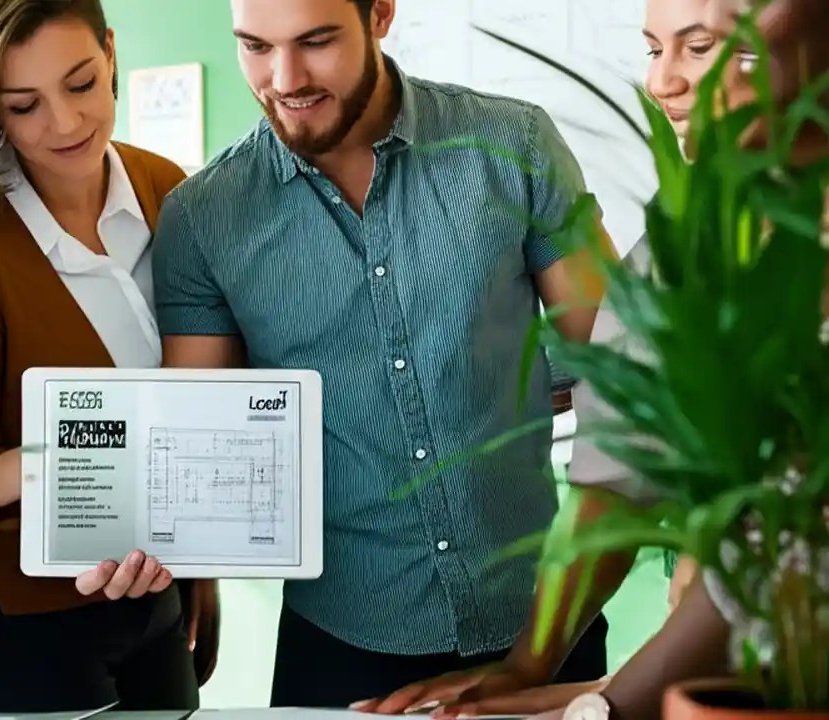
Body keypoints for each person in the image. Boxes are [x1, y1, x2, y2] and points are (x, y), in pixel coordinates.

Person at [361, 0, 829, 717]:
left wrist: (605, 704)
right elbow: (614, 479)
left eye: (699, 47)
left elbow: (776, 549)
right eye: (652, 49)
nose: (663, 83)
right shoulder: (679, 259)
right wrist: (528, 671)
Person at [151, 0, 617, 709]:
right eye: (254, 47)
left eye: (316, 42)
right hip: (339, 646)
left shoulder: (512, 145)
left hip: (548, 629)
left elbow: (626, 387)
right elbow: (197, 446)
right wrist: (191, 568)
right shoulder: (203, 216)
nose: (285, 77)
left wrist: (534, 658)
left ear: (381, 14)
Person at [0, 0, 215, 712]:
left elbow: (196, 409)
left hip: (161, 602)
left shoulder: (168, 190)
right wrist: (81, 471)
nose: (64, 123)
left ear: (111, 52)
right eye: (24, 105)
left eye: (81, 84)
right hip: (33, 626)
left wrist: (202, 572)